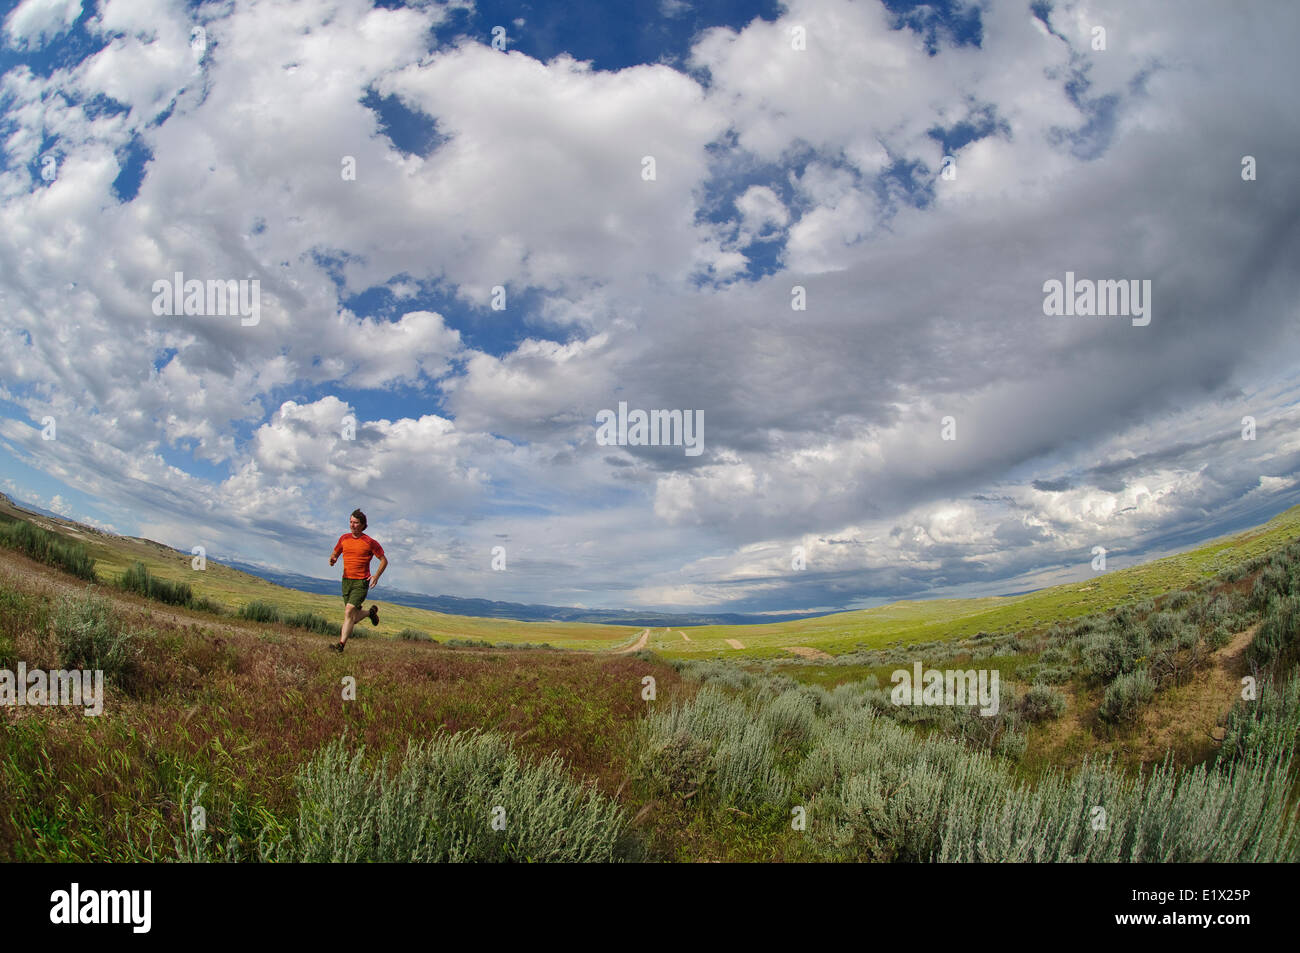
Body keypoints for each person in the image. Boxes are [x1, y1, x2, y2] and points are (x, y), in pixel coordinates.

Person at [328, 508, 387, 652]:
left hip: (361, 582)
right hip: (346, 581)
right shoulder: (344, 538)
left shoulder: (370, 542)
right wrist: (333, 559)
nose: (352, 525)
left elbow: (384, 560)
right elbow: (335, 553)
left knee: (348, 612)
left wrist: (376, 576)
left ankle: (340, 646)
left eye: (355, 523)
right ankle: (370, 613)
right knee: (352, 617)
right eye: (350, 522)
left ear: (362, 525)